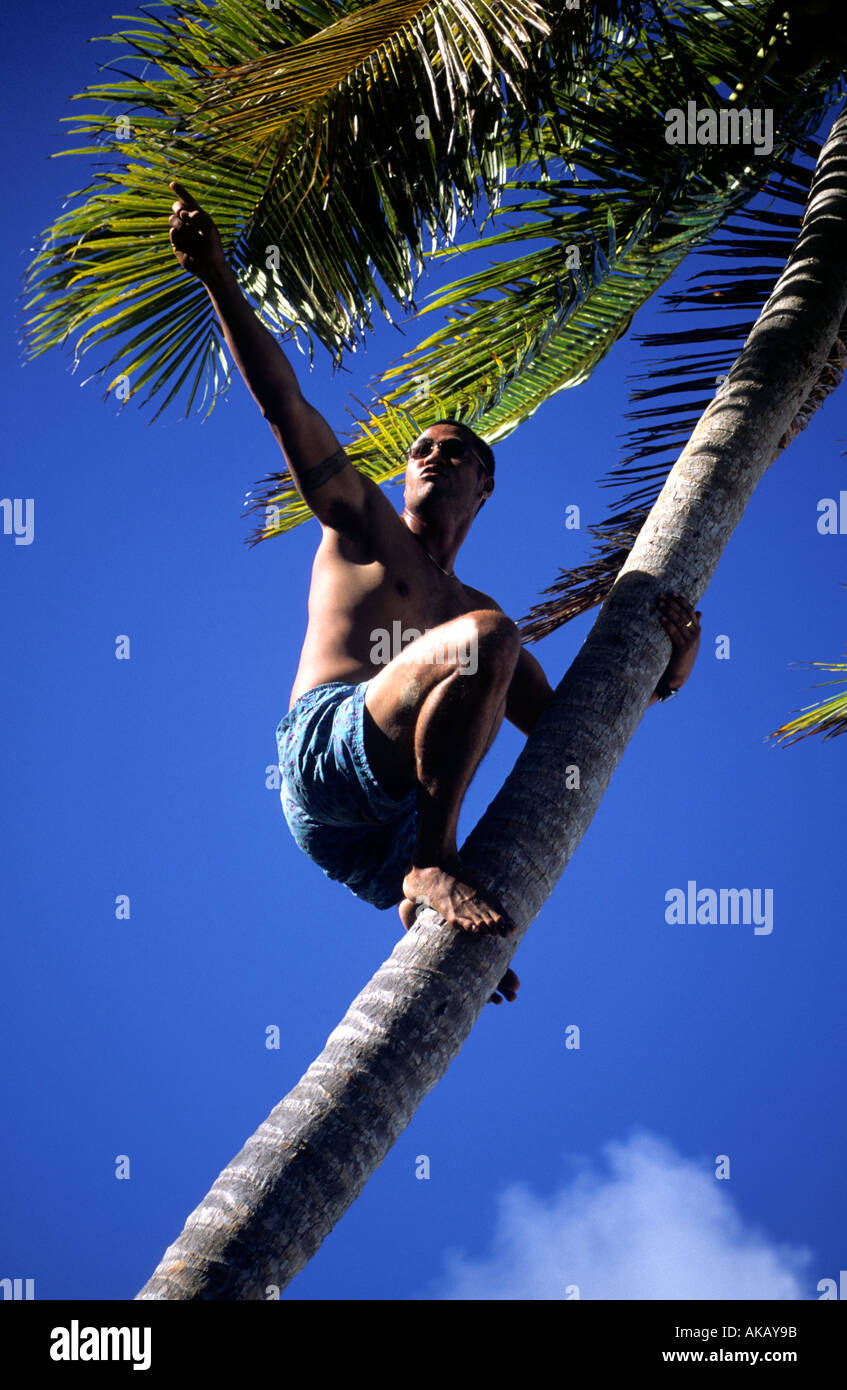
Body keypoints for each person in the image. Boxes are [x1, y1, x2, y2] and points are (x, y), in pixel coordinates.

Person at [168, 182, 702, 1005]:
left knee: (495, 638)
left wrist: (667, 672)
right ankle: (433, 865)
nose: (429, 456)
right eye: (419, 448)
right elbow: (286, 407)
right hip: (327, 759)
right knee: (490, 635)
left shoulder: (471, 606)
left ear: (484, 488)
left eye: (452, 453)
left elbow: (569, 728)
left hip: (372, 841)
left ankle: (426, 910)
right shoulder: (362, 528)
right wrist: (215, 278)